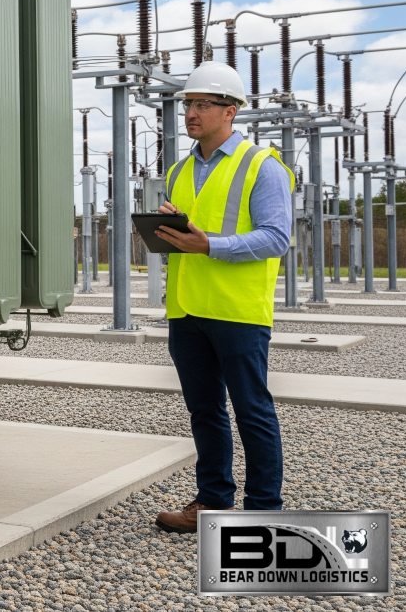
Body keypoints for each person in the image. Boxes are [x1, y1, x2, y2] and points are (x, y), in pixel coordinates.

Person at [152, 61, 295, 533]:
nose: (190, 112)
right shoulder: (178, 170)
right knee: (205, 411)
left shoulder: (263, 166)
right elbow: (189, 235)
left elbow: (277, 238)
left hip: (237, 310)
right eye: (188, 104)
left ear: (230, 111)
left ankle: (261, 512)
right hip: (188, 309)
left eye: (201, 104)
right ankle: (212, 502)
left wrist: (209, 243)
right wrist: (167, 228)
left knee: (252, 409)